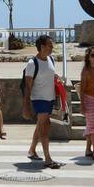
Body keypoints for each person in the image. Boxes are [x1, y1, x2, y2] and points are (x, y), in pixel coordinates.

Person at [22, 35, 62, 168]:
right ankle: (48, 159)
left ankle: (32, 150)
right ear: (42, 47)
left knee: (43, 124)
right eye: (50, 45)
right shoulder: (32, 63)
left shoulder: (51, 59)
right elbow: (28, 87)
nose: (52, 47)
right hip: (39, 99)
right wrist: (26, 106)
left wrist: (56, 78)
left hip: (50, 98)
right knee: (44, 127)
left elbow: (49, 74)